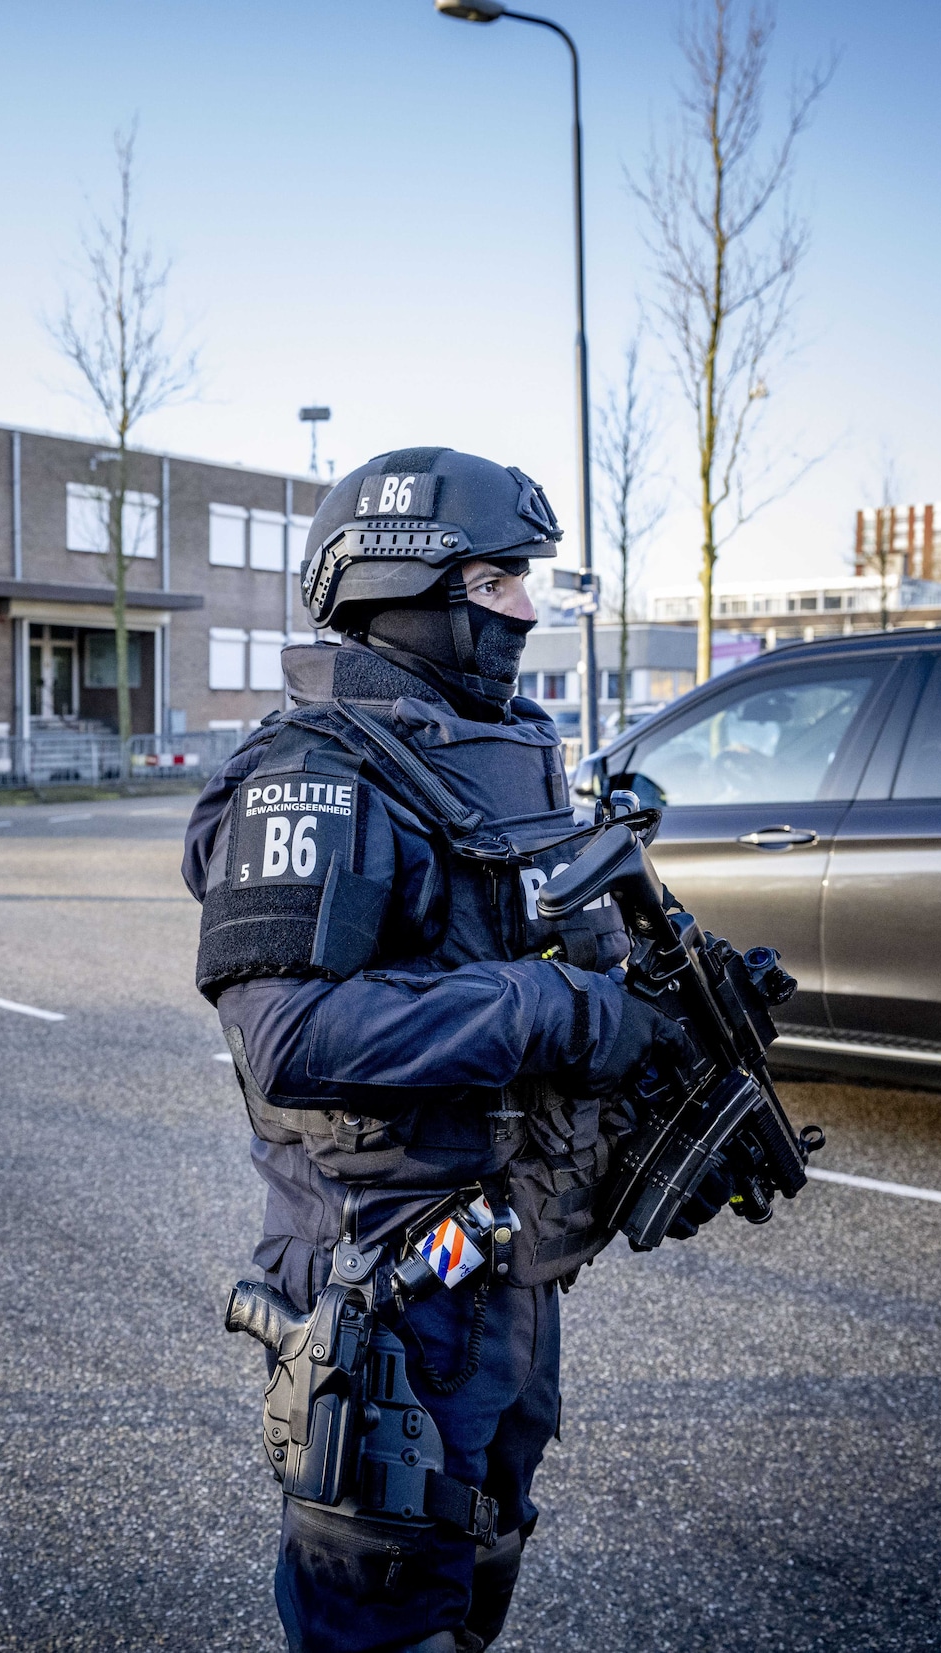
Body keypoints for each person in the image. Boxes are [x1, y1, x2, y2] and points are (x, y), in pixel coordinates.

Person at [185, 447, 708, 1653]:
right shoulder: (310, 776)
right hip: (387, 1280)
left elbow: (530, 934)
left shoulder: (496, 749)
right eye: (494, 580)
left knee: (480, 1568)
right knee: (382, 1618)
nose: (523, 610)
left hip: (507, 1268)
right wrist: (553, 1009)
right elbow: (288, 1037)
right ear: (401, 587)